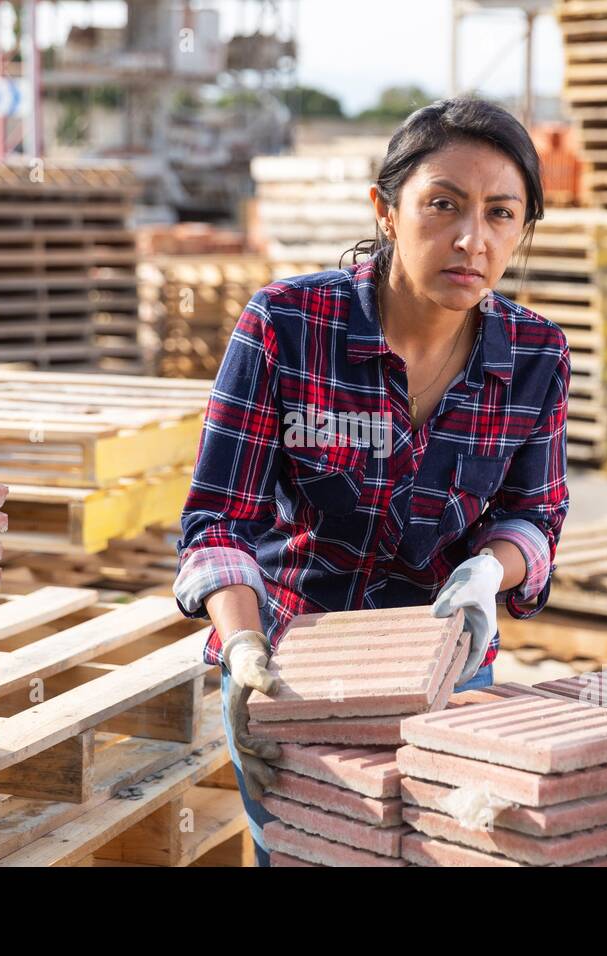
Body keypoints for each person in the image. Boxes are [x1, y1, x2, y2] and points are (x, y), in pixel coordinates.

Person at [172, 95, 571, 867]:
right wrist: (245, 646)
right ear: (386, 211)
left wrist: (491, 570)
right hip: (287, 665)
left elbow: (536, 514)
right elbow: (217, 520)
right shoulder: (287, 325)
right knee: (302, 856)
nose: (470, 238)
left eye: (500, 214)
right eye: (443, 205)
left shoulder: (536, 356)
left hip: (443, 665)